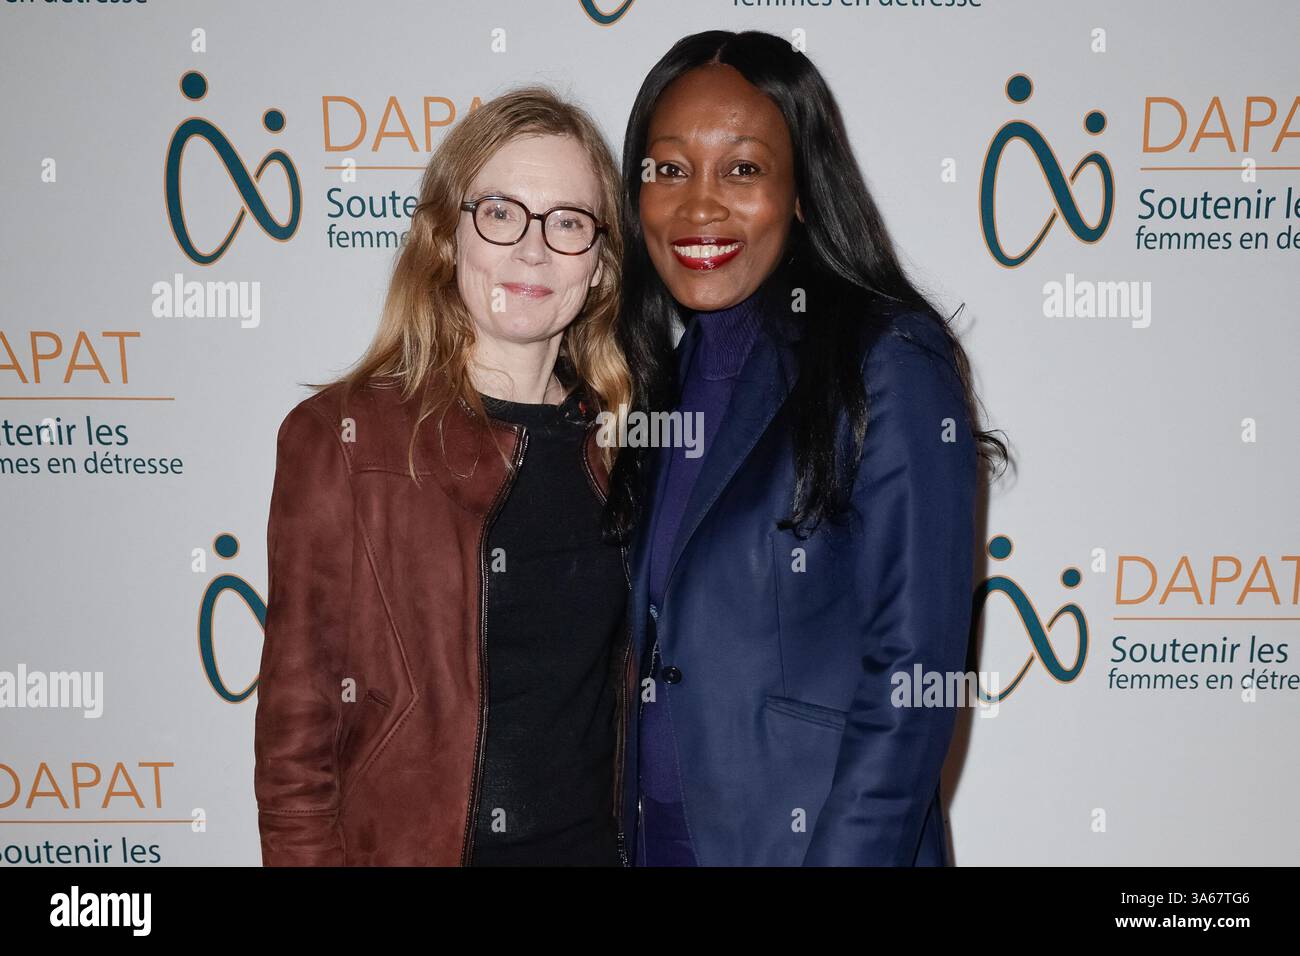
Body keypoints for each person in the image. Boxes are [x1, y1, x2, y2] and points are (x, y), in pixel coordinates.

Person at [604, 30, 1008, 866]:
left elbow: (911, 677)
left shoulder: (887, 359)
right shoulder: (648, 384)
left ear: (800, 191)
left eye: (743, 169)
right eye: (669, 169)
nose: (699, 205)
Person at [253, 86, 636, 866]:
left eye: (567, 222)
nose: (533, 250)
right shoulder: (341, 440)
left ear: (599, 265)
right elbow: (296, 745)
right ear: (445, 236)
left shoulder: (631, 446)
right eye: (500, 212)